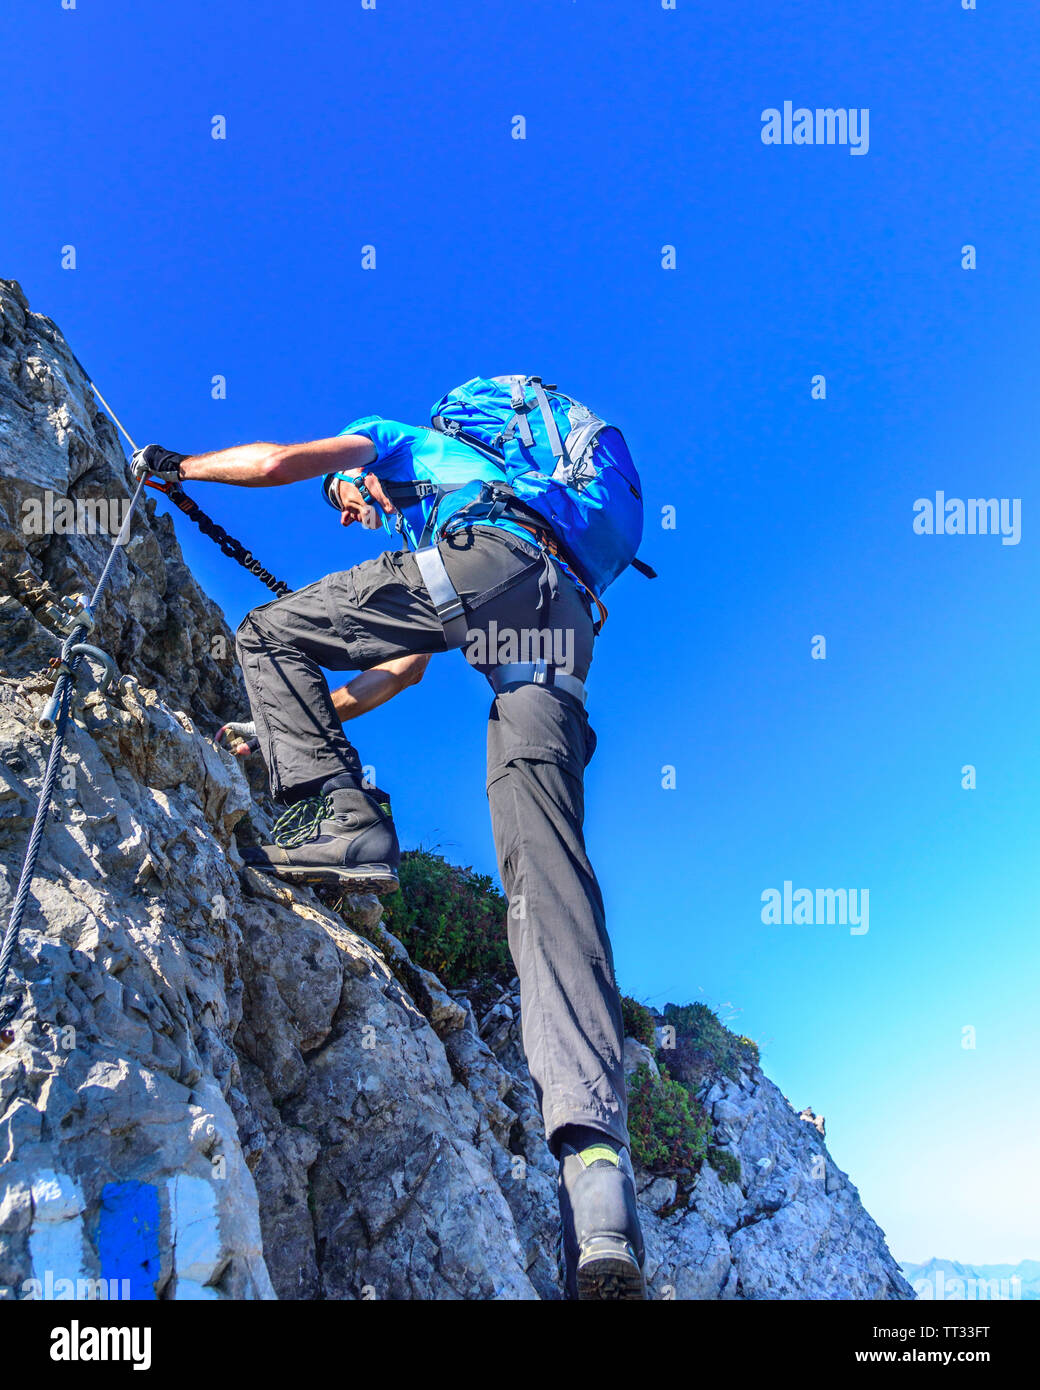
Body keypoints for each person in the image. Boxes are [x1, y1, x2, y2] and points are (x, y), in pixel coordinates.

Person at [132, 419, 646, 1300]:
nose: (348, 511)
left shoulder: (399, 443)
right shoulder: (480, 502)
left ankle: (338, 821)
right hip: (560, 621)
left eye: (345, 501)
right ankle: (597, 1188)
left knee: (266, 632)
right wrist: (279, 729)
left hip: (491, 561)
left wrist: (180, 467)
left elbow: (279, 461)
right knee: (547, 883)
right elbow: (397, 674)